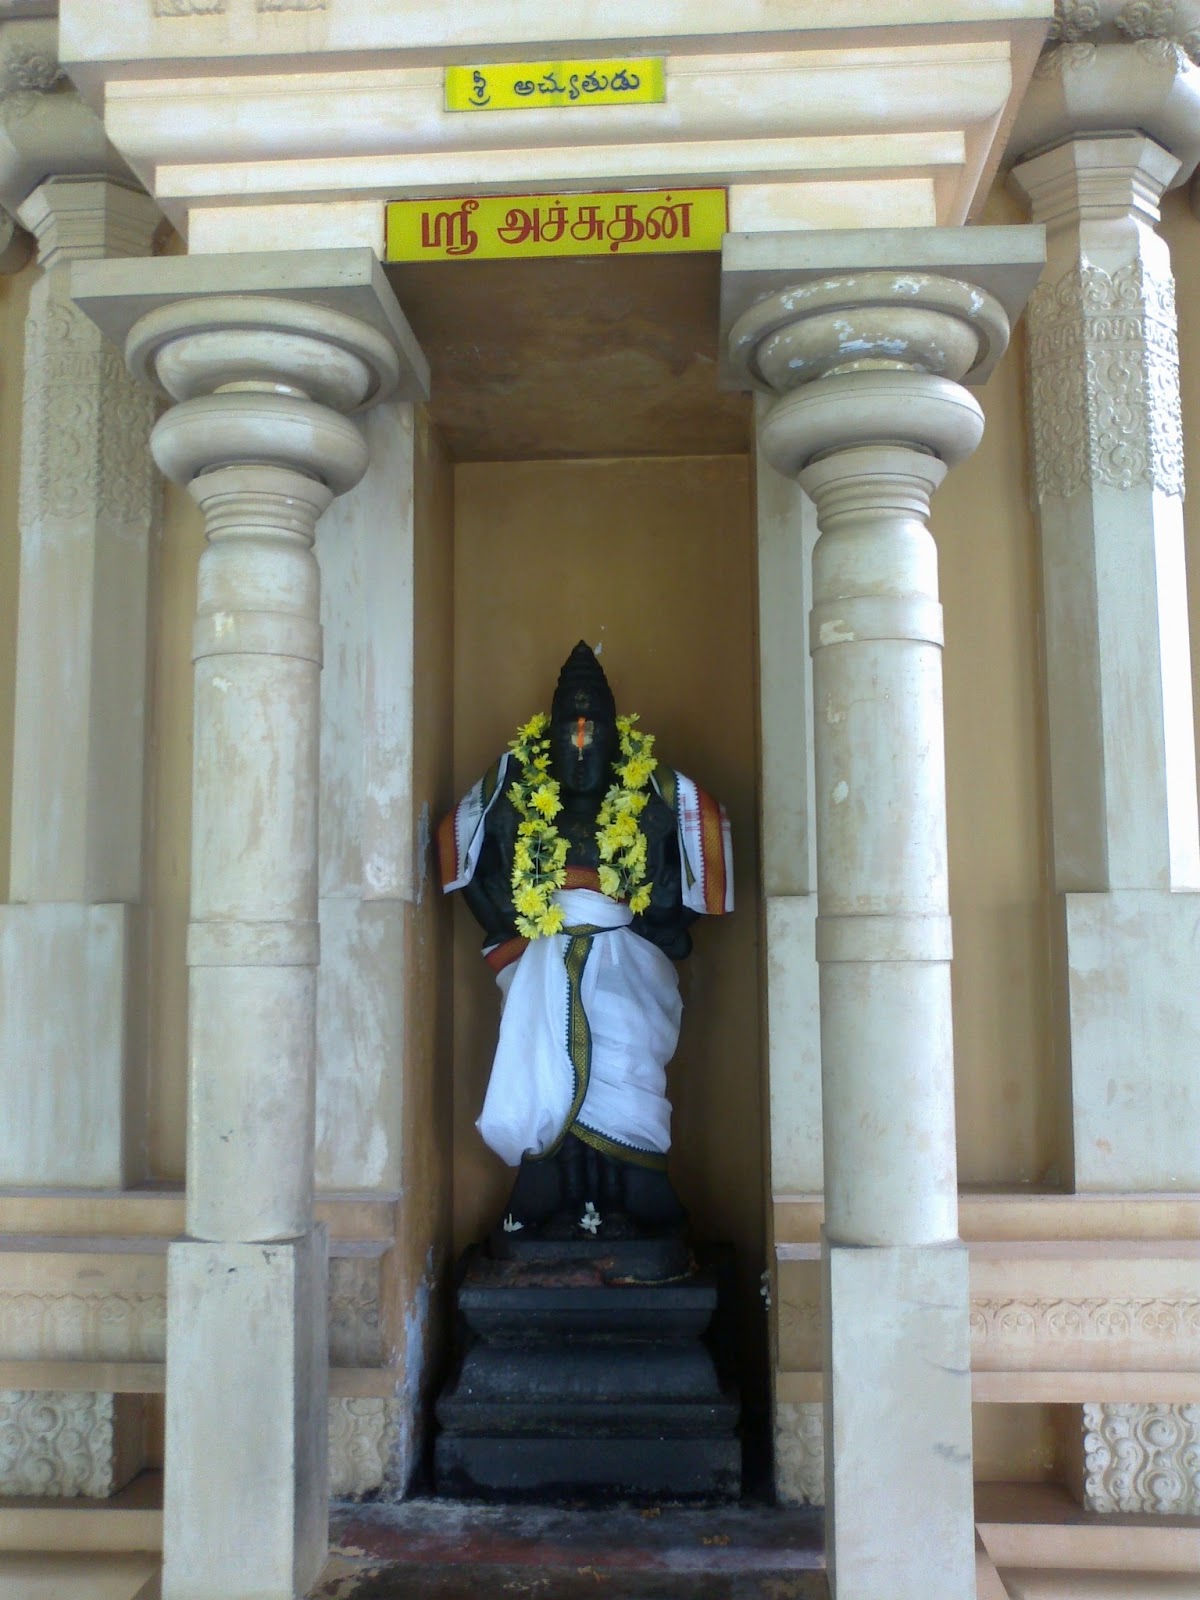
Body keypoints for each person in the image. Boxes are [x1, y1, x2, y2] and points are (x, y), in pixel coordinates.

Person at [440, 642, 732, 1237]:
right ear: (547, 740)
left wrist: (655, 922)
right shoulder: (519, 807)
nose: (579, 752)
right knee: (548, 1065)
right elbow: (459, 853)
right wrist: (507, 935)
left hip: (627, 964)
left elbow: (684, 890)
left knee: (623, 1062)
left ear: (612, 740)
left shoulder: (647, 804)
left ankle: (630, 1199)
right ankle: (558, 1196)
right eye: (567, 736)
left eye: (592, 735)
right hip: (545, 959)